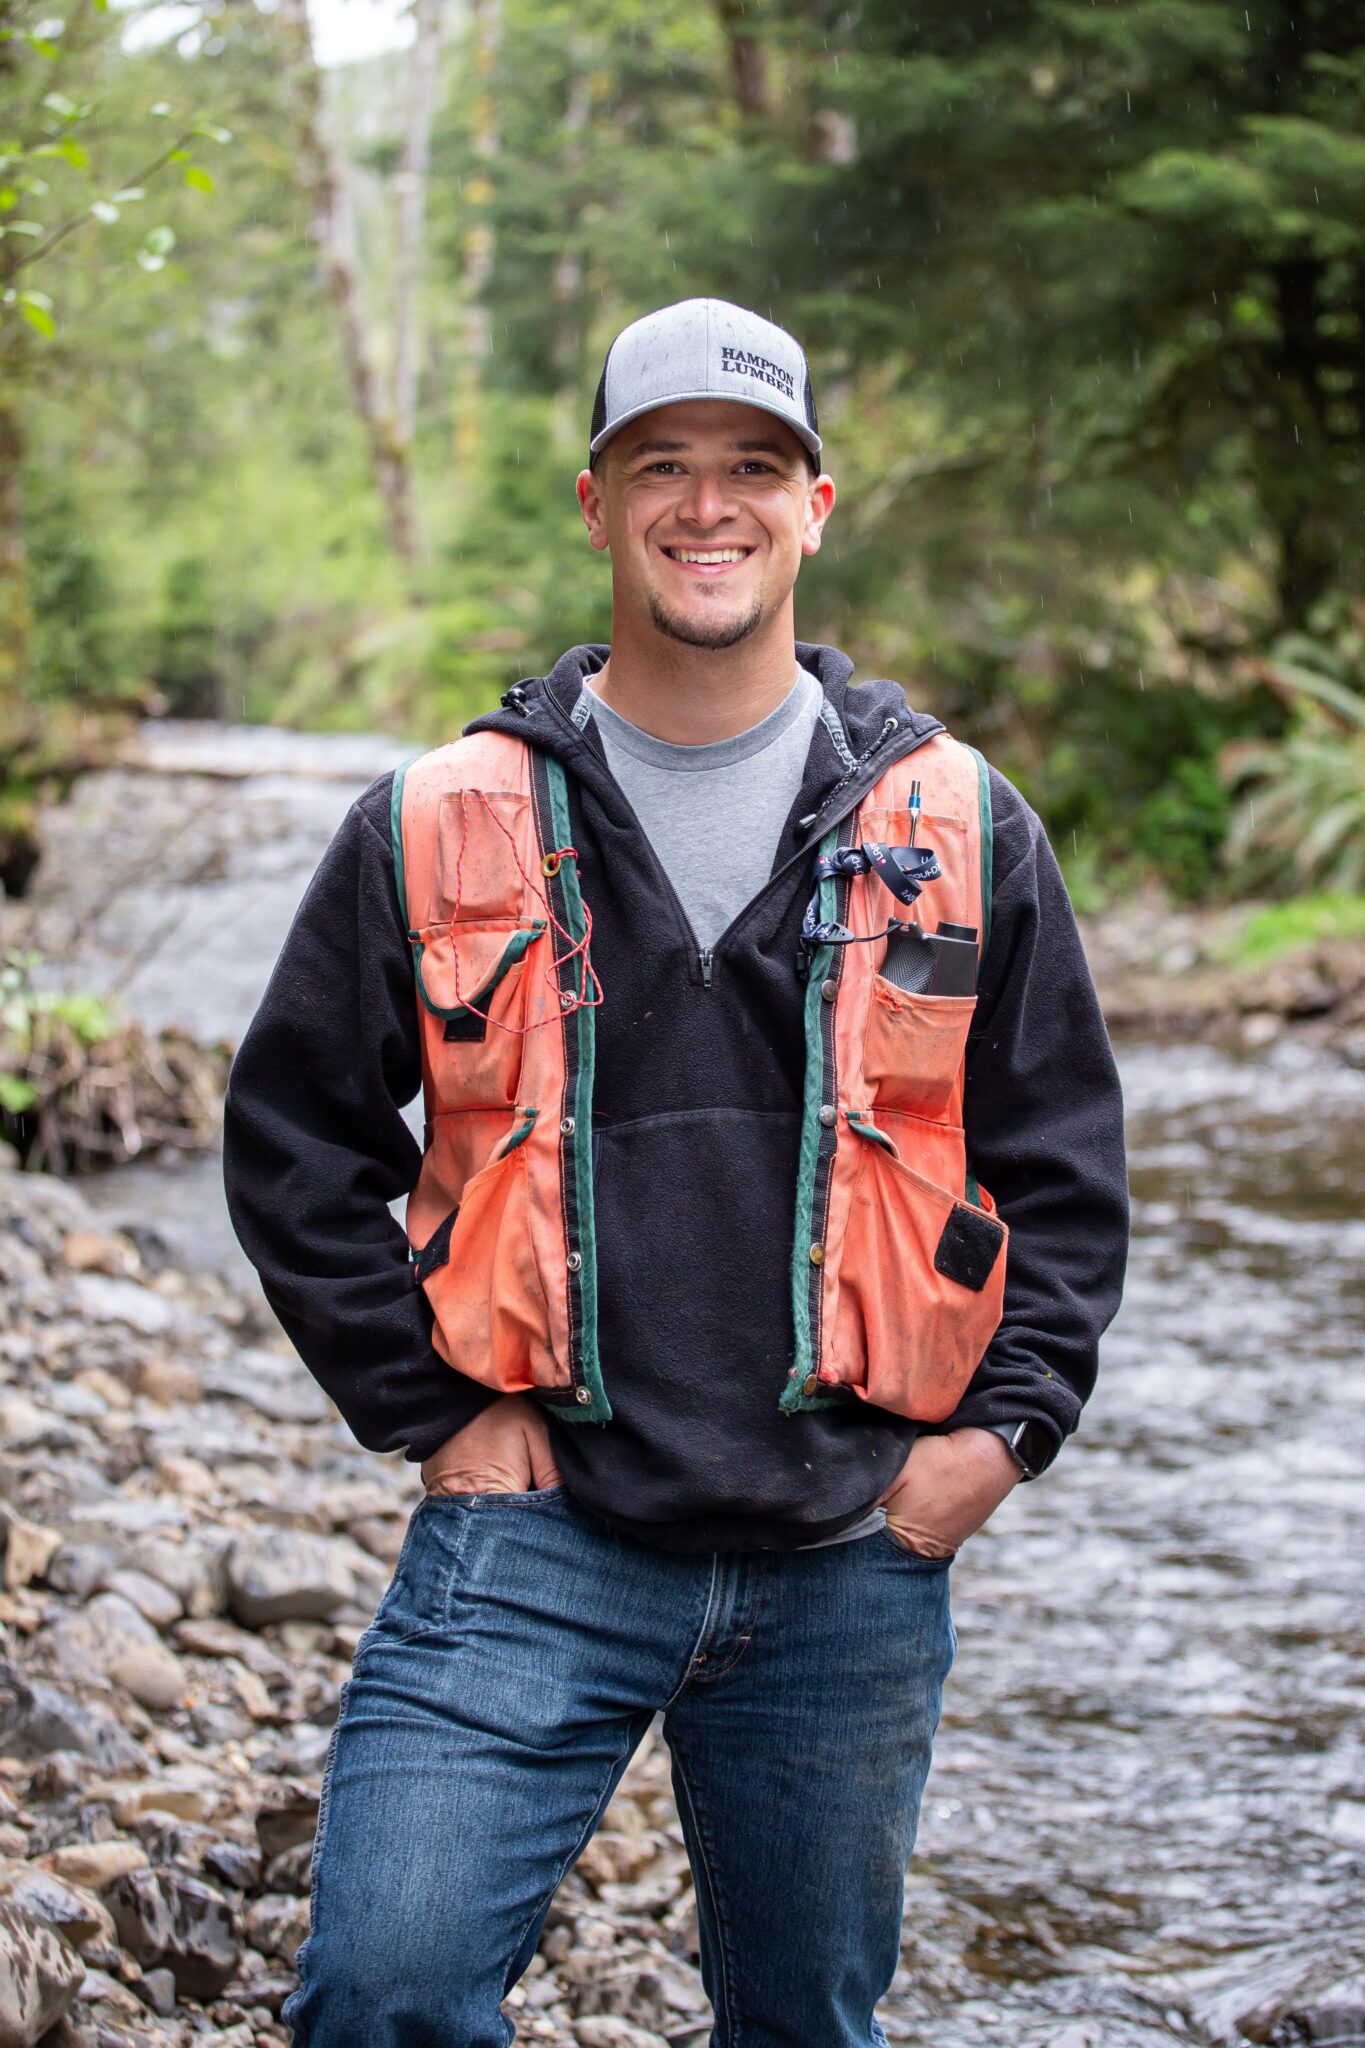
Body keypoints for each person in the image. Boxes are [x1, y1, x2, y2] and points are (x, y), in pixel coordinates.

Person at [223, 297, 1128, 2048]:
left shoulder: (959, 820)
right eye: (661, 467)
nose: (706, 507)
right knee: (383, 1996)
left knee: (805, 2029)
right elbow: (294, 1141)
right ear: (595, 504)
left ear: (815, 508)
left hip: (852, 1555)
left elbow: (1060, 1167)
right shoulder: (435, 816)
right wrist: (433, 1408)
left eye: (752, 468)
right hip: (534, 1536)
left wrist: (997, 1441)